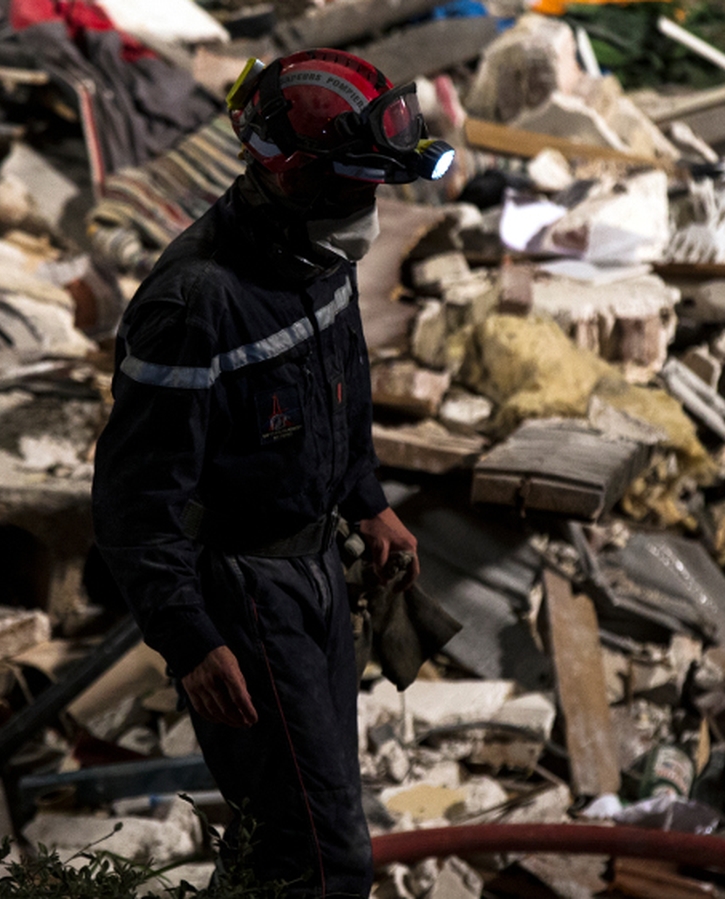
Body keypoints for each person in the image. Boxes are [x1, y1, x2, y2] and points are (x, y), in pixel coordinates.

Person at [90, 48, 455, 897]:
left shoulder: (316, 253)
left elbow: (344, 379)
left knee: (280, 843)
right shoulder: (196, 304)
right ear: (292, 178)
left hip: (318, 566)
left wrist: (368, 501)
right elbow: (133, 502)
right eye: (354, 184)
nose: (368, 209)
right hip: (247, 597)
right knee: (324, 860)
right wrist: (190, 639)